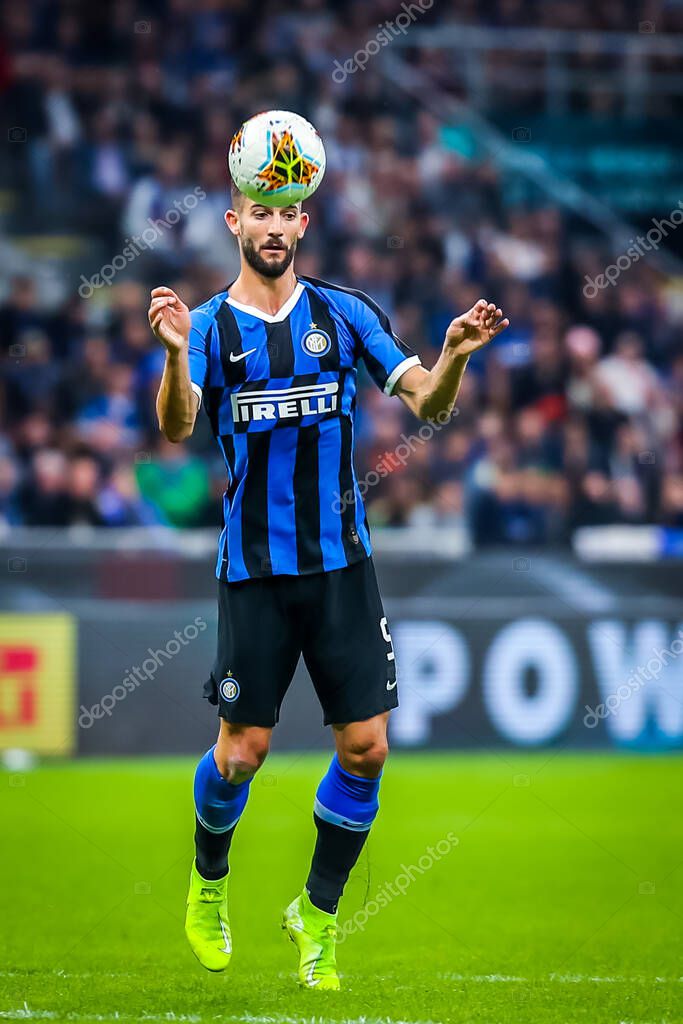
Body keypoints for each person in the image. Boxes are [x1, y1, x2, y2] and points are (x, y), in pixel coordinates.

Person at [147, 175, 508, 990]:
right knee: (242, 753)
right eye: (259, 213)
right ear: (235, 221)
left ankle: (317, 913)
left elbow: (424, 403)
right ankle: (209, 885)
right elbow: (174, 427)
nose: (273, 227)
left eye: (286, 214)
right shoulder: (204, 327)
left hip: (342, 562)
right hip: (254, 571)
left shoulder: (346, 312)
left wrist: (449, 356)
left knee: (368, 747)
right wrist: (173, 357)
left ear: (302, 223)